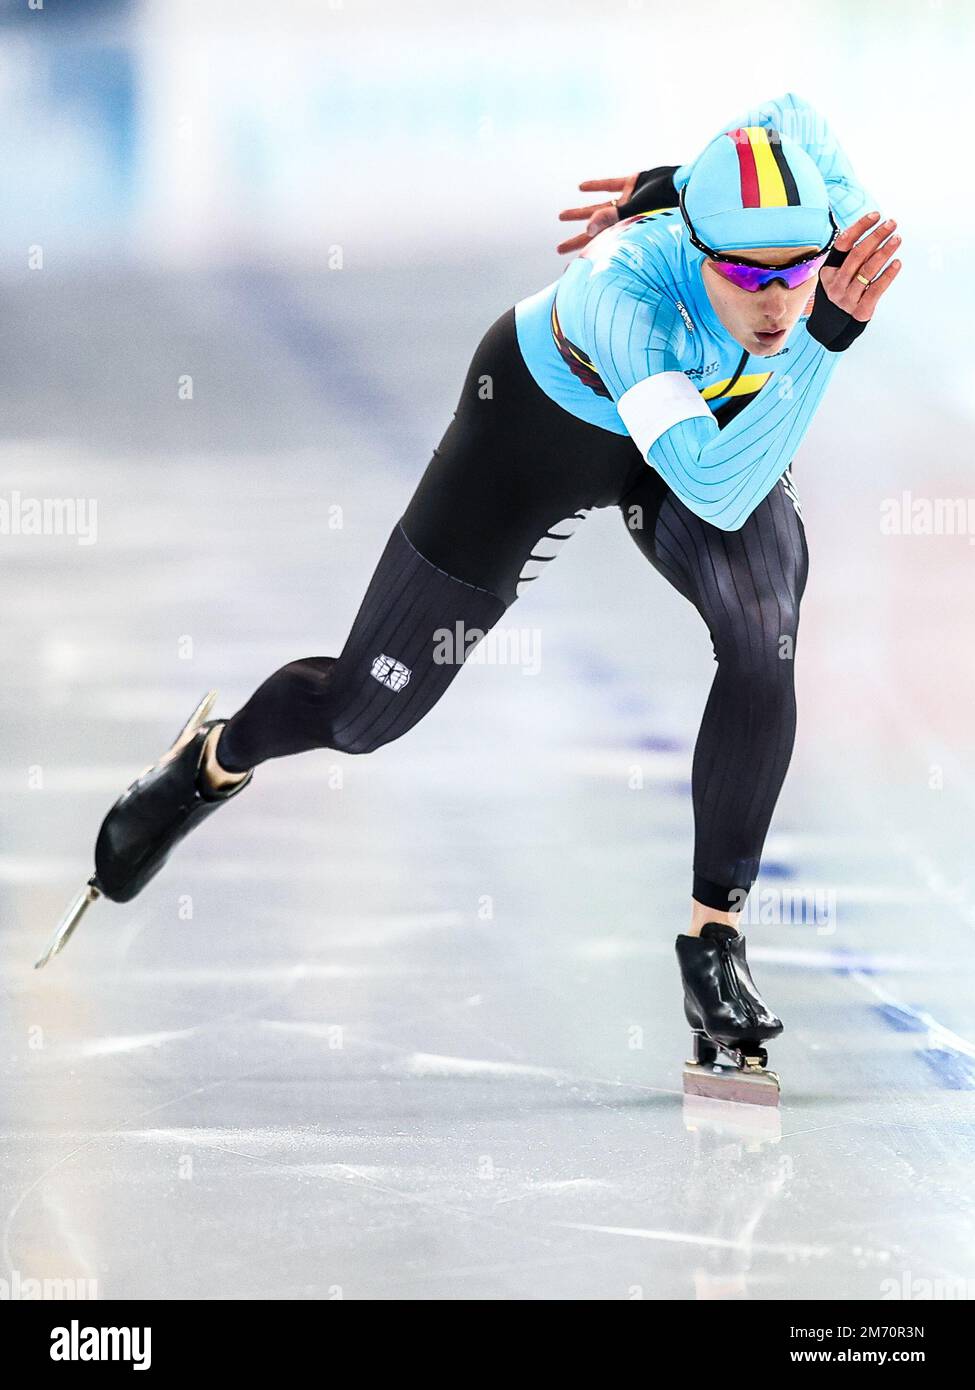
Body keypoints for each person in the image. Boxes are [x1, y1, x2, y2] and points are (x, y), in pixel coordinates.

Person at [39, 94, 900, 1100]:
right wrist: (825, 341)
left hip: (694, 432)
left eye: (796, 272)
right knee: (364, 712)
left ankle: (715, 946)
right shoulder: (627, 289)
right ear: (694, 249)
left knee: (764, 633)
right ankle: (211, 759)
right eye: (746, 275)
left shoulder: (819, 215)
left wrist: (679, 180)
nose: (779, 303)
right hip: (539, 432)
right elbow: (716, 484)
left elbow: (792, 114)